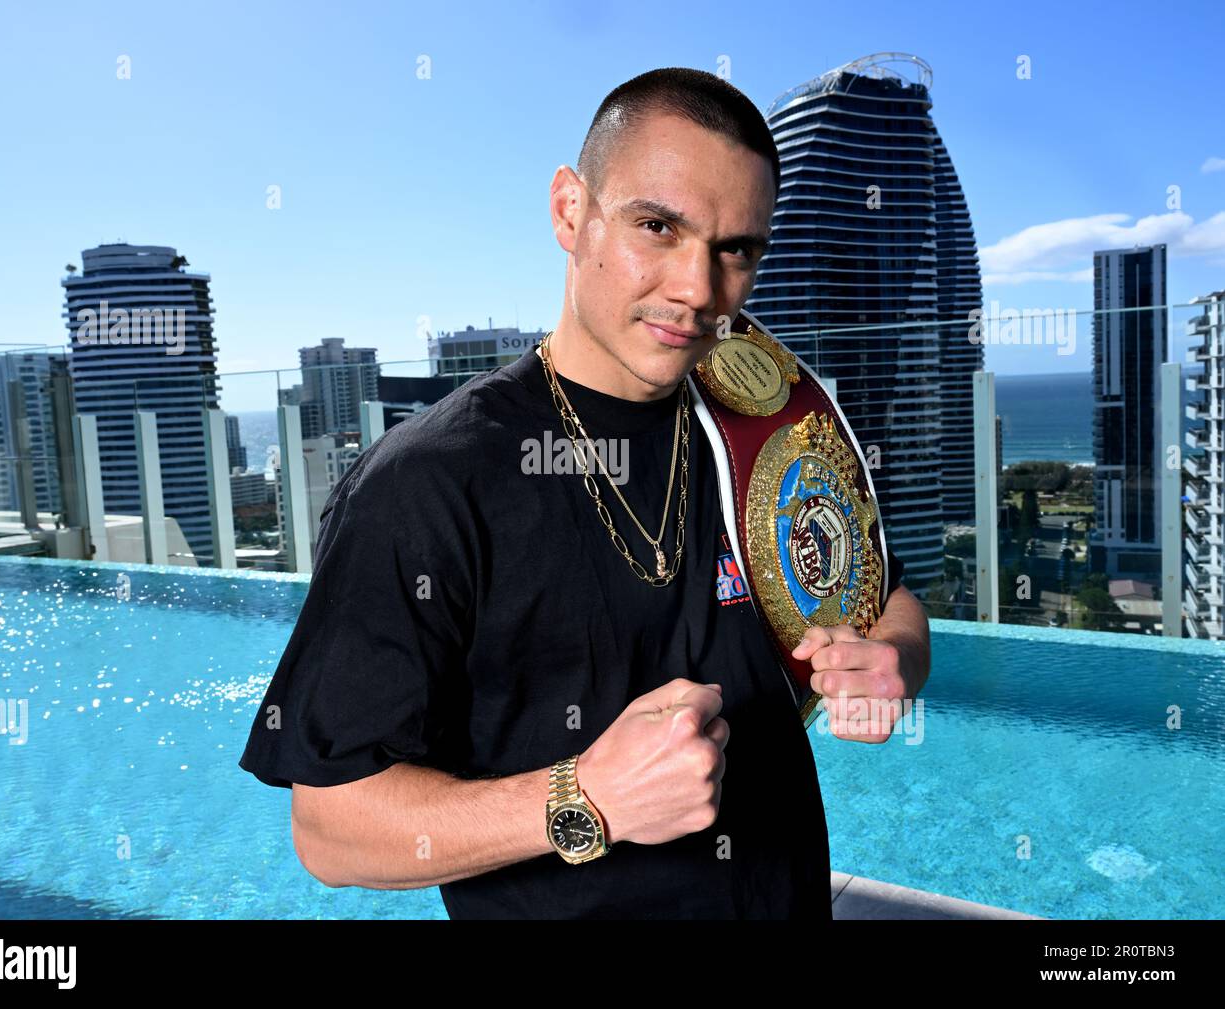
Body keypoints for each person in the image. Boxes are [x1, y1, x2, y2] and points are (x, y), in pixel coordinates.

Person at [239, 66, 931, 920]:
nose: (697, 290)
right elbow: (330, 825)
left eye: (735, 250)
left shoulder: (762, 414)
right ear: (571, 210)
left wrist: (892, 657)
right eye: (658, 226)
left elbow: (884, 594)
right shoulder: (424, 485)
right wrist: (585, 798)